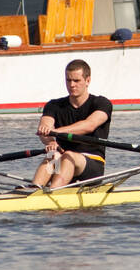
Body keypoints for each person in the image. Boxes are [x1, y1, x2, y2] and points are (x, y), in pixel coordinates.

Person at [31, 59, 112, 188]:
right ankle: (34, 188)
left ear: (87, 81)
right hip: (61, 163)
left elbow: (89, 125)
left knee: (68, 155)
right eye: (68, 80)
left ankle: (53, 191)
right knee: (53, 155)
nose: (72, 85)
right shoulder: (54, 105)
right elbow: (45, 127)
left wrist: (57, 132)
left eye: (76, 81)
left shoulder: (101, 103)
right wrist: (50, 141)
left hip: (92, 166)